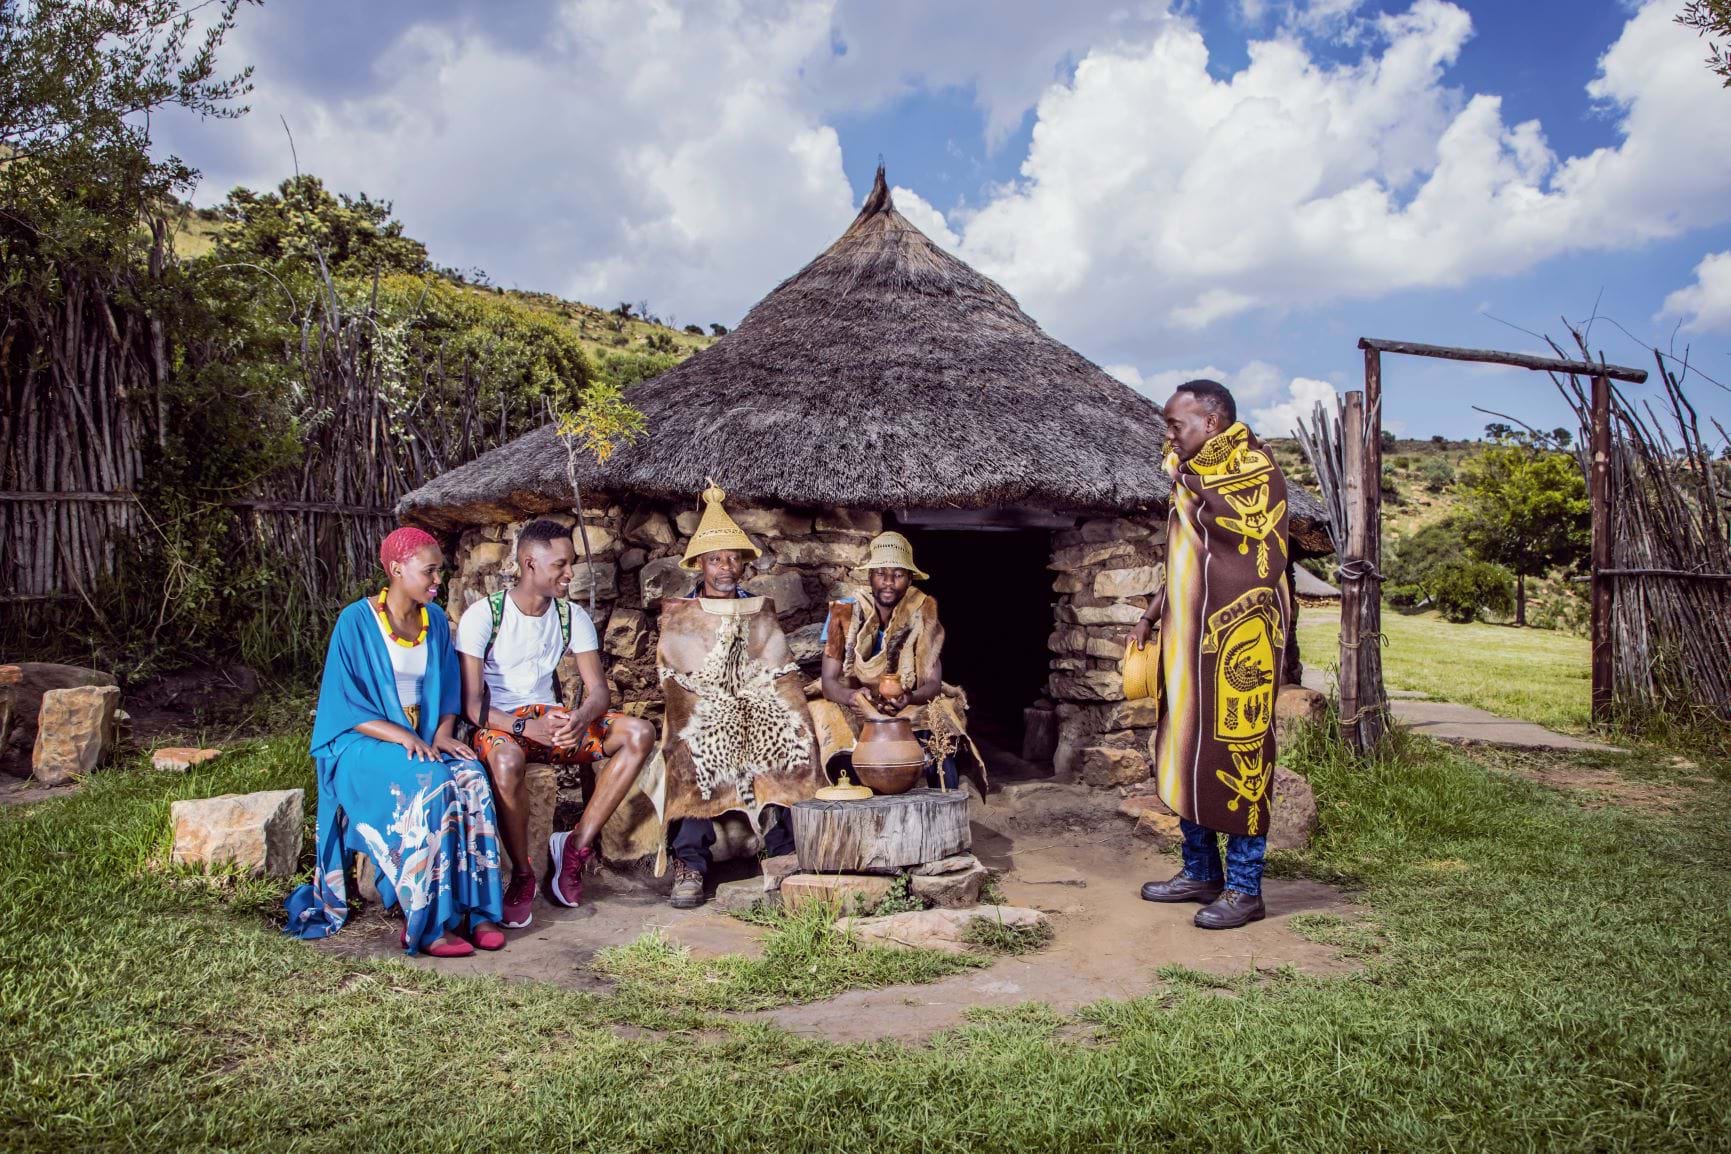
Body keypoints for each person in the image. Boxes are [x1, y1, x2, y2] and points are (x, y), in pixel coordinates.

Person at [285, 527, 506, 958]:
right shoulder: (356, 621)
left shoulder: (435, 620)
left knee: (472, 777)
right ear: (396, 569)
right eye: (429, 571)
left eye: (439, 571)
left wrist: (442, 732)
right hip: (360, 743)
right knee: (433, 782)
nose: (437, 580)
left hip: (421, 740)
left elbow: (448, 692)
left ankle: (479, 911)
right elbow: (345, 704)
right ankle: (428, 923)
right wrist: (403, 734)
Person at [1130, 379, 1292, 930]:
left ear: (1212, 422)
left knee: (1238, 749)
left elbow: (1253, 555)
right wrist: (1154, 612)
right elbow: (1187, 559)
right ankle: (1201, 872)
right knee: (1183, 749)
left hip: (1237, 645)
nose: (1169, 435)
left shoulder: (1252, 471)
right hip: (1188, 646)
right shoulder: (1192, 478)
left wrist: (1184, 477)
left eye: (1177, 424)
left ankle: (1245, 889)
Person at [456, 519, 657, 927]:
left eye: (572, 564)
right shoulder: (484, 616)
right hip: (499, 725)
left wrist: (581, 718)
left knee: (640, 733)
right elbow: (470, 704)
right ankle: (524, 875)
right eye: (561, 565)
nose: (570, 574)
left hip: (554, 723)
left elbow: (598, 691)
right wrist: (520, 727)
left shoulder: (571, 617)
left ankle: (575, 848)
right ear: (530, 563)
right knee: (509, 762)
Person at [657, 483, 826, 909]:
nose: (726, 567)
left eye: (733, 558)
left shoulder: (759, 610)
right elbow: (675, 675)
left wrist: (766, 704)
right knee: (691, 750)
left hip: (758, 704)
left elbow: (779, 666)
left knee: (792, 737)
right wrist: (716, 704)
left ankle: (781, 848)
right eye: (716, 560)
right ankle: (690, 861)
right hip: (704, 708)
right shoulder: (682, 615)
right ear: (701, 565)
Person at [811, 531, 986, 793]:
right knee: (829, 723)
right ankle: (851, 801)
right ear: (870, 576)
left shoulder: (922, 612)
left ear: (910, 578)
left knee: (940, 719)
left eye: (898, 574)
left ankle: (942, 800)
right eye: (881, 573)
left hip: (904, 700)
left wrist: (909, 697)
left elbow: (934, 683)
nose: (889, 582)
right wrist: (853, 697)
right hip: (857, 700)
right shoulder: (844, 611)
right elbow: (828, 682)